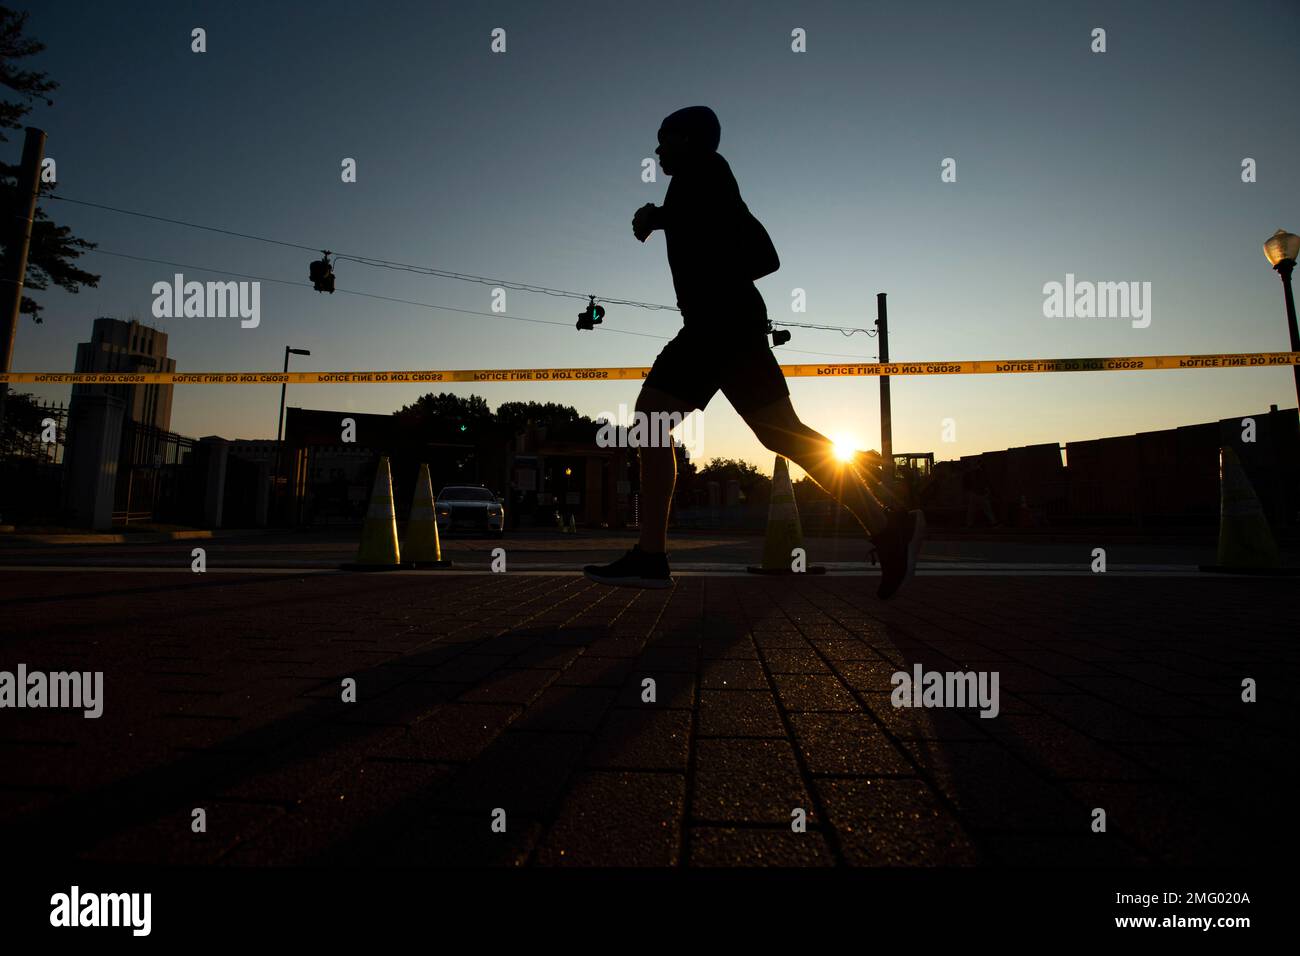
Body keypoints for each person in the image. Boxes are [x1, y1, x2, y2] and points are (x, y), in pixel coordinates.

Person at [583, 106, 924, 598]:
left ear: (690, 140)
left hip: (716, 327)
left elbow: (740, 239)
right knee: (783, 436)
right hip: (729, 327)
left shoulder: (707, 170)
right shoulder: (705, 184)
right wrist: (666, 219)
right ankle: (887, 525)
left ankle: (651, 556)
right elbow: (757, 250)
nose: (657, 150)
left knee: (650, 422)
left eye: (665, 139)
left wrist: (659, 216)